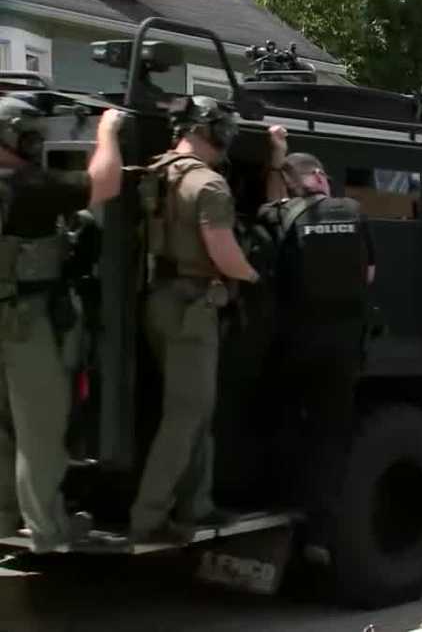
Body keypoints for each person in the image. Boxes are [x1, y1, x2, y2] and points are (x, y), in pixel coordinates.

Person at [130, 96, 259, 543]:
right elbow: (222, 251)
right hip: (192, 306)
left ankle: (196, 505)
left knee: (194, 411)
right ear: (211, 130)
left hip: (160, 299)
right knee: (187, 415)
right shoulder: (208, 185)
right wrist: (252, 273)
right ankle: (149, 516)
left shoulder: (158, 172)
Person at [0, 95, 125, 552]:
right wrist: (107, 132)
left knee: (4, 427)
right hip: (26, 321)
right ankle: (47, 530)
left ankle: (4, 517)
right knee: (41, 429)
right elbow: (105, 183)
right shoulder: (31, 186)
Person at [259, 125, 374, 556]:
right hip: (343, 341)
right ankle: (320, 533)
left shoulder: (280, 214)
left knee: (288, 422)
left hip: (296, 339)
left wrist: (276, 152)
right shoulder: (354, 210)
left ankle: (279, 503)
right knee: (331, 437)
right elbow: (369, 275)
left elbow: (270, 206)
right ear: (321, 177)